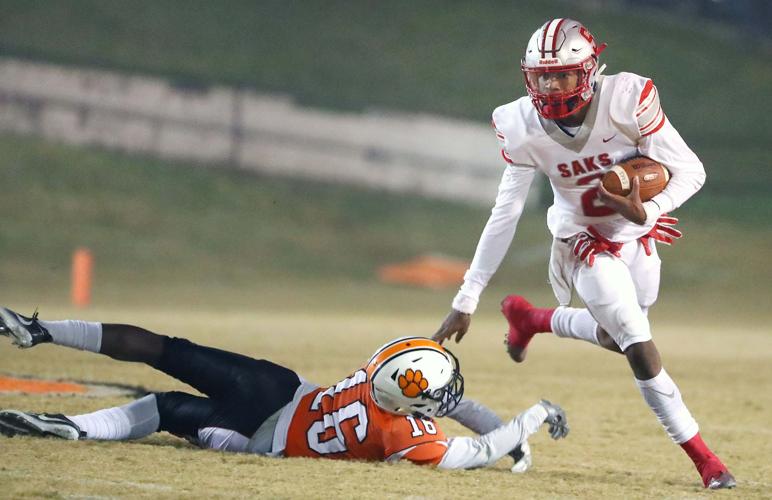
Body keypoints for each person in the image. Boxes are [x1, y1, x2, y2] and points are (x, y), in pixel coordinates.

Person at [432, 18, 735, 489]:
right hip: (582, 242)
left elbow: (690, 171)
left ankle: (532, 319)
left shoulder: (627, 100)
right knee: (637, 343)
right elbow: (505, 213)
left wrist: (649, 210)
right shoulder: (519, 124)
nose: (552, 87)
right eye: (543, 77)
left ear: (590, 71)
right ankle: (706, 461)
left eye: (563, 75)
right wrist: (466, 298)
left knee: (617, 338)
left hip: (635, 236)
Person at [0, 307, 568, 470]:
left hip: (278, 388)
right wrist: (532, 418)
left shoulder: (382, 369)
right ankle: (72, 429)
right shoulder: (406, 435)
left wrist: (514, 437)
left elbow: (459, 404)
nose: (448, 400)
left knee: (165, 349)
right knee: (165, 409)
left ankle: (43, 330)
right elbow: (477, 445)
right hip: (261, 437)